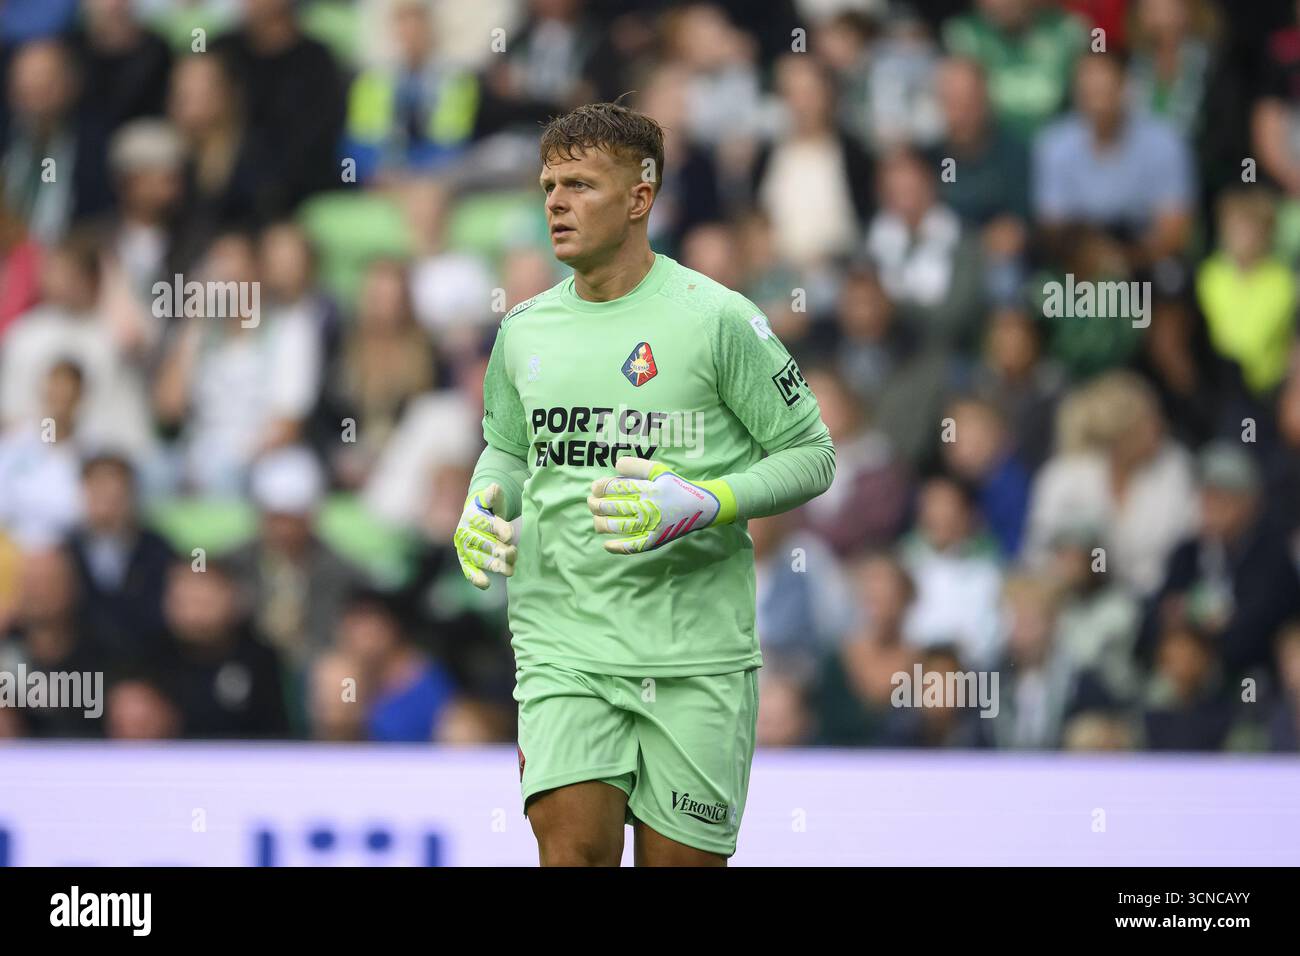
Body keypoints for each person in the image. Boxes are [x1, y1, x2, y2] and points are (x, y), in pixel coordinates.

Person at [452, 102, 835, 866]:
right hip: (563, 642)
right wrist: (484, 504)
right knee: (573, 854)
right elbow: (506, 449)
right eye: (549, 184)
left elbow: (812, 455)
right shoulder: (523, 328)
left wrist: (706, 502)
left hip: (696, 657)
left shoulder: (718, 319)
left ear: (639, 198)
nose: (556, 203)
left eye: (581, 185)